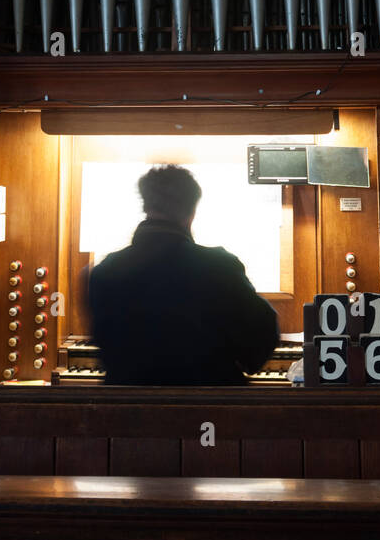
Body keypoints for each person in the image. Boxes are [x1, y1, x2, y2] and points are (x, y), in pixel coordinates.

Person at [88, 164, 279, 385]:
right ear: (191, 213)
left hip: (129, 411)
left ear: (145, 205)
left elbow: (106, 343)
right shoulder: (220, 266)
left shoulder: (106, 270)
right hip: (211, 408)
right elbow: (262, 333)